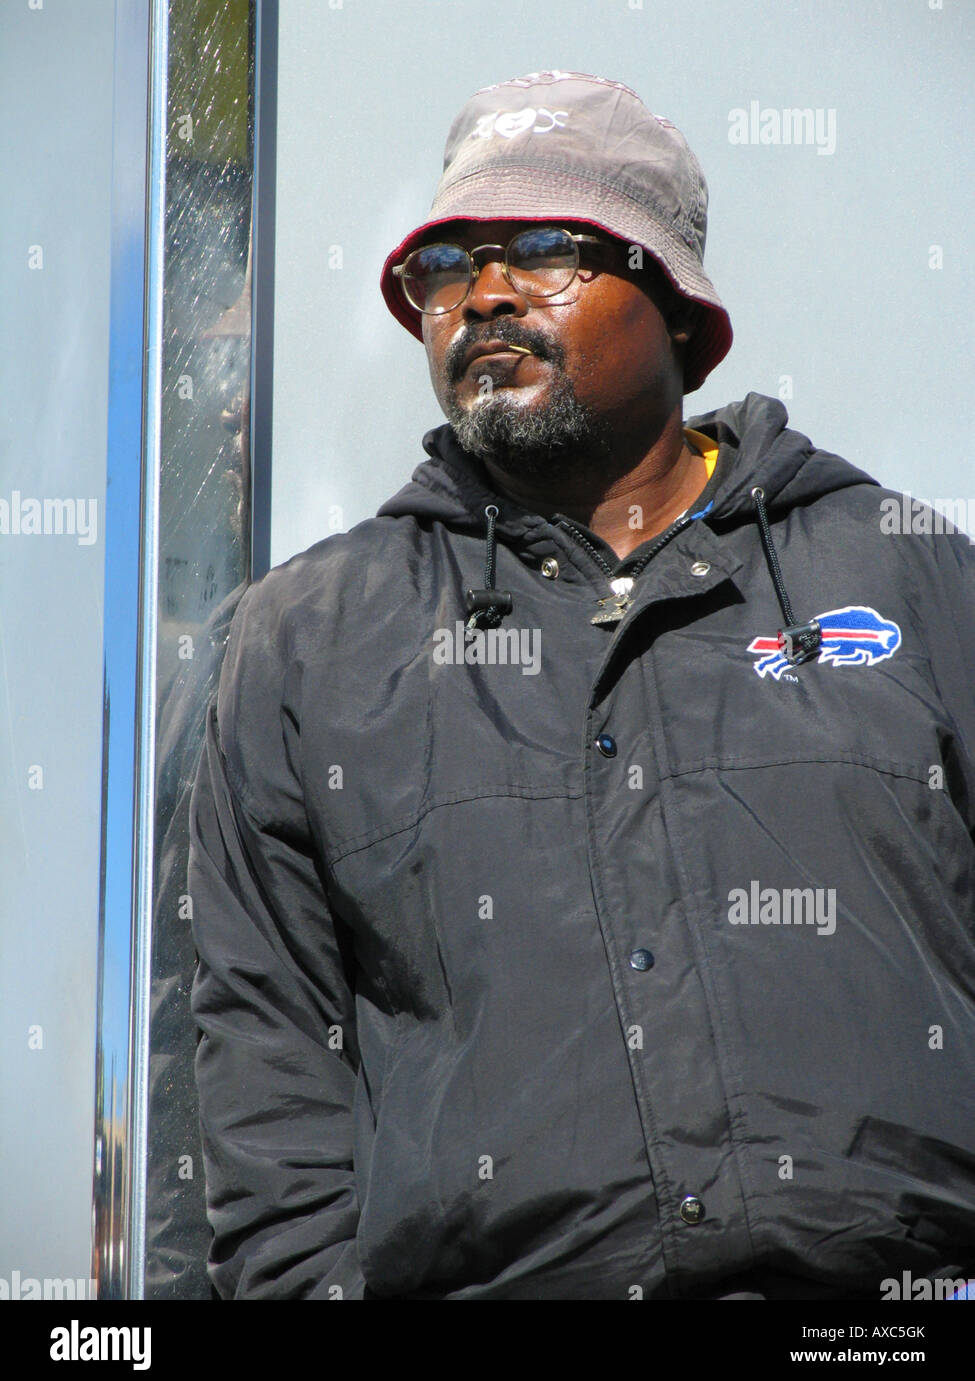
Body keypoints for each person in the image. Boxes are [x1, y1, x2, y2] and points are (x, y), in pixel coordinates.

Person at [187, 70, 975, 1300]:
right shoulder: (308, 641)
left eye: (547, 247)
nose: (485, 291)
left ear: (674, 305)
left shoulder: (905, 571)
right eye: (445, 265)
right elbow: (265, 1052)